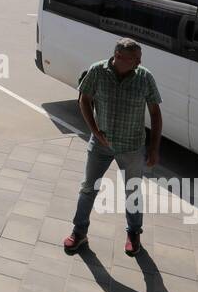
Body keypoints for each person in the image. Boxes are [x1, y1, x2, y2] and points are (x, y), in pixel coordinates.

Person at [63, 38, 163, 259]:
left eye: (139, 58)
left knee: (132, 190)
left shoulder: (145, 77)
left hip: (132, 146)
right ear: (118, 57)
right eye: (135, 59)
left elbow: (155, 113)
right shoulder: (97, 71)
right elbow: (84, 100)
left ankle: (134, 233)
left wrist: (154, 148)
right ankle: (79, 232)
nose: (139, 62)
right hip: (100, 145)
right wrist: (96, 131)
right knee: (88, 188)